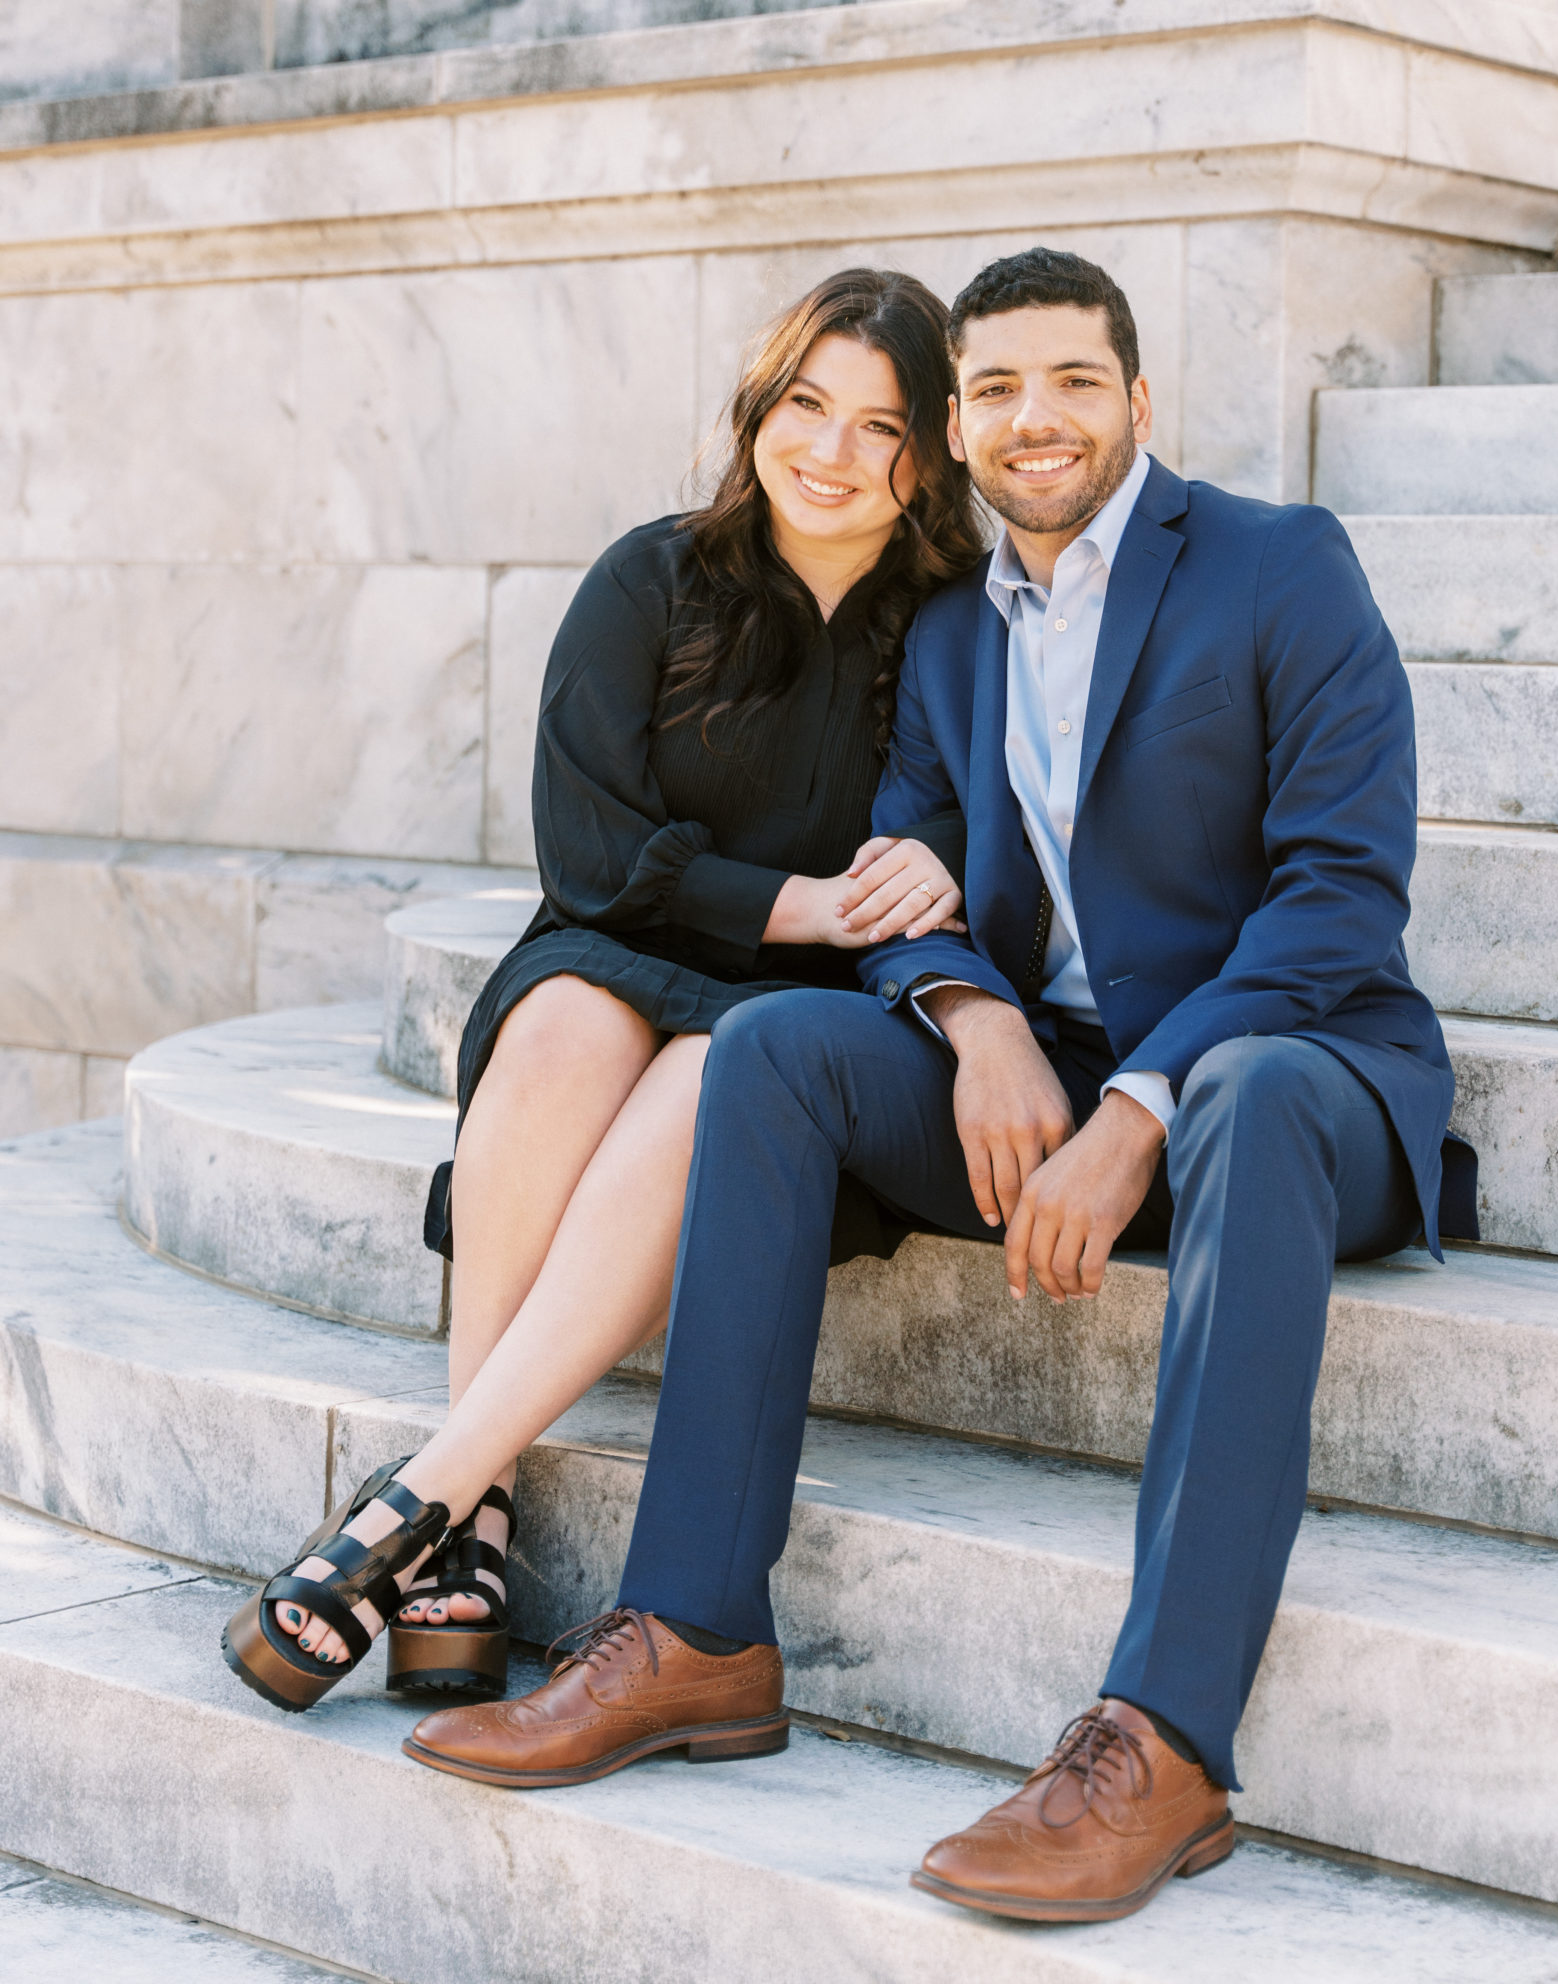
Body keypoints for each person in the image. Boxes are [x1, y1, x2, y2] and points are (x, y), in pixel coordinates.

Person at [400, 244, 1473, 1928]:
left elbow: (1337, 901)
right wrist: (971, 1018)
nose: (1033, 419)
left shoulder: (1282, 567)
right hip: (1039, 1073)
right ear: (956, 436)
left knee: (1250, 1091)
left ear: (1137, 397)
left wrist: (1137, 1109)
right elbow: (910, 878)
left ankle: (1164, 1738)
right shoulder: (956, 635)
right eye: (993, 390)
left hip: (1295, 1086)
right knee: (768, 1045)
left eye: (1071, 380)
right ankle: (694, 1633)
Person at [221, 267, 985, 1716]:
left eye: (882, 428)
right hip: (620, 942)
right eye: (806, 405)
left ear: (931, 455)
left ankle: (427, 1507)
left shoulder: (946, 628)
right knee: (570, 1012)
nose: (830, 454)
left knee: (726, 1063)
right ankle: (480, 1508)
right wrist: (792, 899)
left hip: (791, 1021)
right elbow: (586, 850)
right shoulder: (655, 576)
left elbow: (968, 830)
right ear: (761, 406)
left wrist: (915, 886)